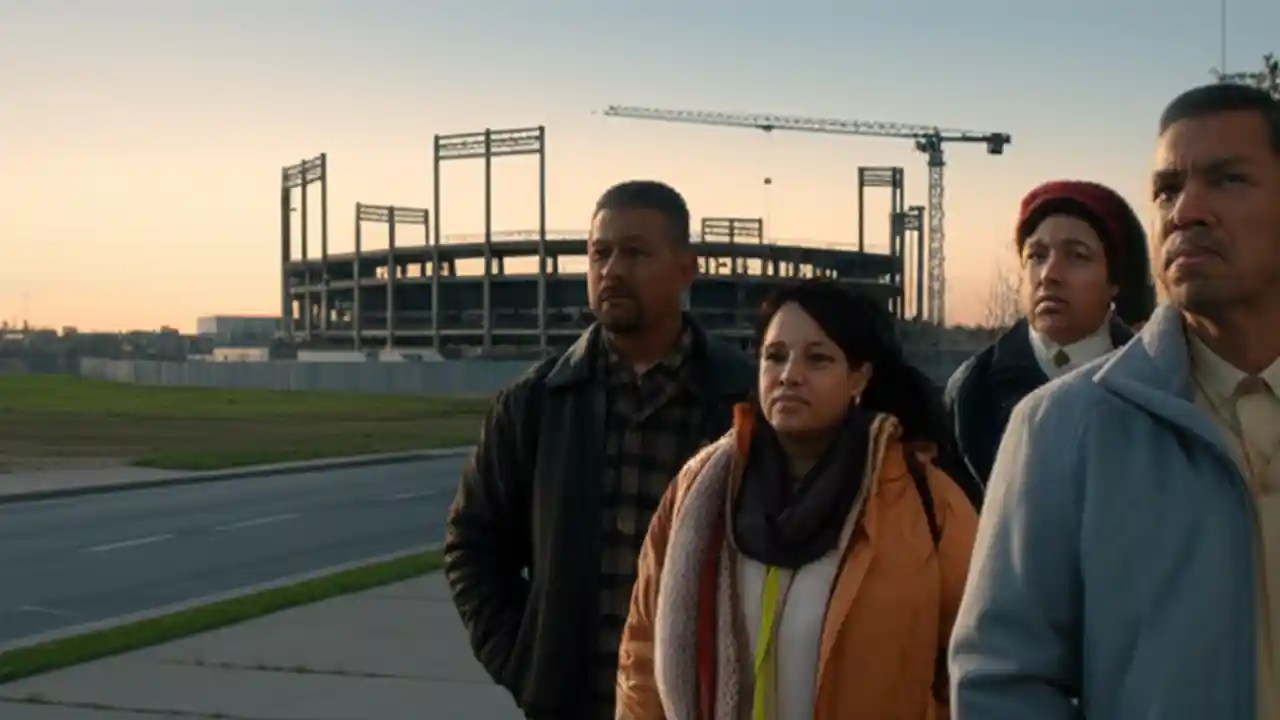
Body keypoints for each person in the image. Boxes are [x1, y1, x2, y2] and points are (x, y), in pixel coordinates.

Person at [949, 83, 1280, 718]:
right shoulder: (1061, 429)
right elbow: (1002, 681)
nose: (1186, 211)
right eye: (1166, 191)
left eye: (1228, 180)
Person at [443, 180, 754, 720]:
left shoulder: (745, 404)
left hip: (705, 704)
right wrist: (524, 663)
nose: (611, 270)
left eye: (635, 252)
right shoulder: (536, 405)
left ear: (686, 269)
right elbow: (473, 546)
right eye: (600, 253)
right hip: (573, 704)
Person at [615, 278, 978, 719]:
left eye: (818, 359)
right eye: (775, 356)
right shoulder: (698, 490)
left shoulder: (926, 502)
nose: (789, 374)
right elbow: (642, 653)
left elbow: (976, 658)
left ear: (858, 377)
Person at [944, 179, 1156, 490]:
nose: (1049, 275)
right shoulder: (974, 390)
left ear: (1114, 281)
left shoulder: (1151, 381)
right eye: (1036, 256)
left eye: (1077, 256)